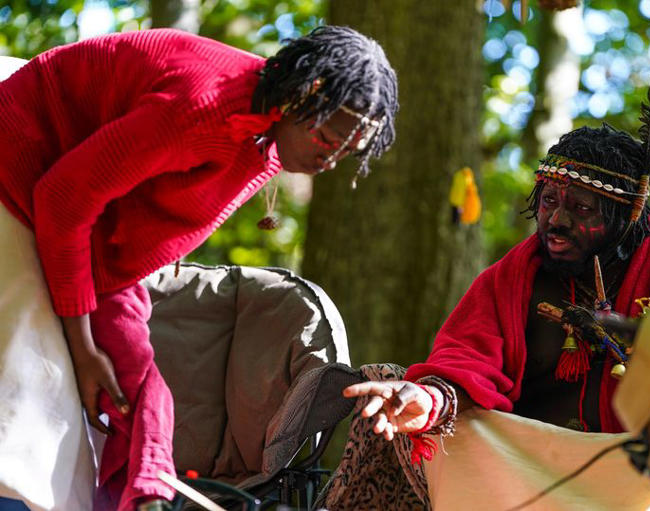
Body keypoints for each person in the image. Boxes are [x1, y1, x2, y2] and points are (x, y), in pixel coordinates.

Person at [0, 25, 397, 511]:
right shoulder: (200, 109)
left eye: (347, 153)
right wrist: (83, 347)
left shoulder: (266, 138)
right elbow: (61, 199)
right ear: (304, 94)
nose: (330, 160)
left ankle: (148, 499)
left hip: (92, 235)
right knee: (35, 389)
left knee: (142, 390)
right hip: (19, 172)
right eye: (329, 139)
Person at [341, 83, 650, 501]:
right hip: (522, 474)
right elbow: (466, 358)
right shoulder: (513, 277)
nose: (556, 220)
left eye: (581, 209)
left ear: (630, 212)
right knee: (423, 405)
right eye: (549, 201)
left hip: (645, 476)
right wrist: (432, 398)